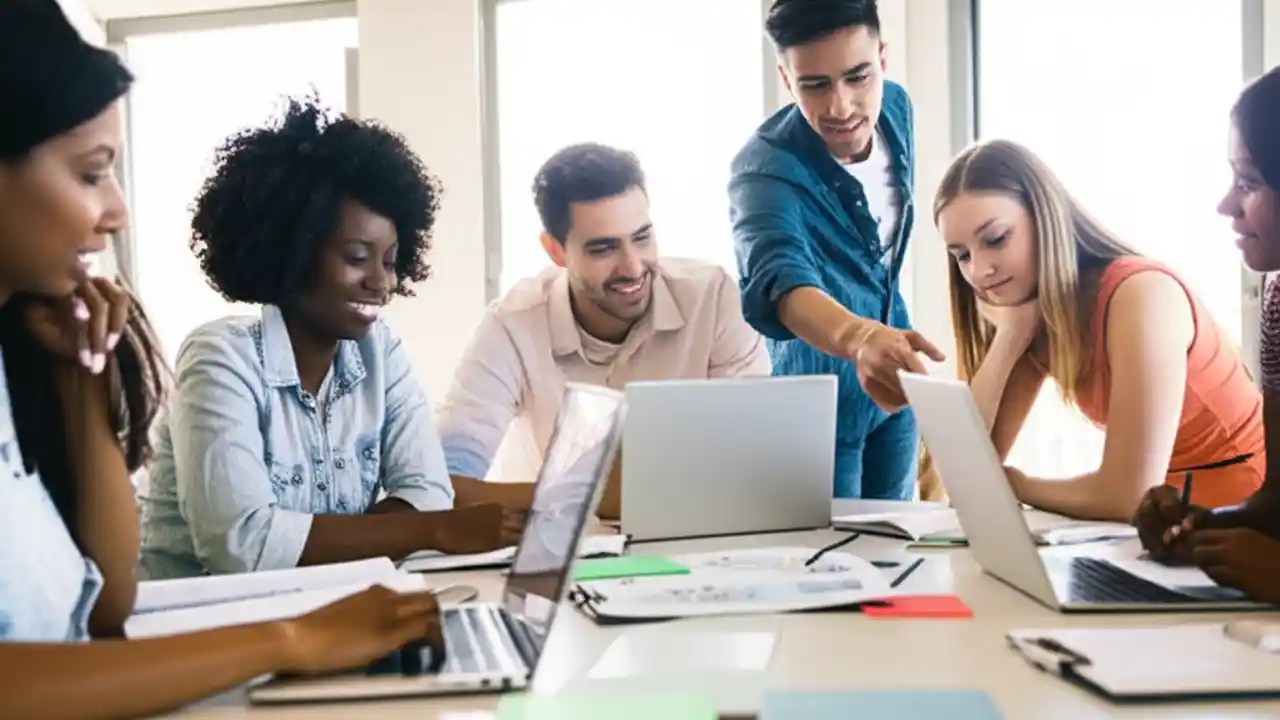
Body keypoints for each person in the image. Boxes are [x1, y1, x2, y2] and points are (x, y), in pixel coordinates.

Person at [0, 2, 443, 716]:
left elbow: (107, 605)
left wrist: (81, 380)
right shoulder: (223, 355)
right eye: (91, 173)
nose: (118, 211)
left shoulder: (25, 359)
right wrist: (293, 640)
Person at [138, 95, 525, 579]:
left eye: (390, 261)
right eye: (357, 258)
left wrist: (406, 527)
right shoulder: (219, 359)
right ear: (292, 251)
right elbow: (243, 547)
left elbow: (429, 491)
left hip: (325, 606)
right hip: (199, 616)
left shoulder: (380, 351)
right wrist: (432, 531)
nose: (381, 282)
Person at [934, 139, 1265, 523]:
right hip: (1164, 519)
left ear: (1045, 218)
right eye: (962, 255)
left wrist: (1017, 486)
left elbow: (1127, 496)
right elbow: (963, 477)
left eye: (995, 240)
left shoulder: (1141, 294)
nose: (979, 271)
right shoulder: (1032, 312)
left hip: (1243, 513)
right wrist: (1009, 336)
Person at [438, 143, 770, 517]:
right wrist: (589, 497)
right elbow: (444, 482)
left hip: (693, 533)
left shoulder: (714, 297)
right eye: (603, 249)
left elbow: (753, 457)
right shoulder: (513, 325)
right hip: (553, 540)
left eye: (642, 238)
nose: (633, 267)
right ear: (555, 251)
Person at [730, 0, 944, 500]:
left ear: (883, 59)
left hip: (893, 390)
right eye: (815, 85)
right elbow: (781, 281)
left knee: (899, 542)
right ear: (786, 79)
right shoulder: (761, 171)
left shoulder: (897, 109)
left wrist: (881, 344)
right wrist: (859, 336)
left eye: (858, 77)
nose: (841, 108)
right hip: (816, 410)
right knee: (829, 550)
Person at [1134, 66, 1280, 603]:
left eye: (1249, 182)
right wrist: (1205, 526)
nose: (1226, 205)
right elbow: (1278, 499)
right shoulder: (1278, 296)